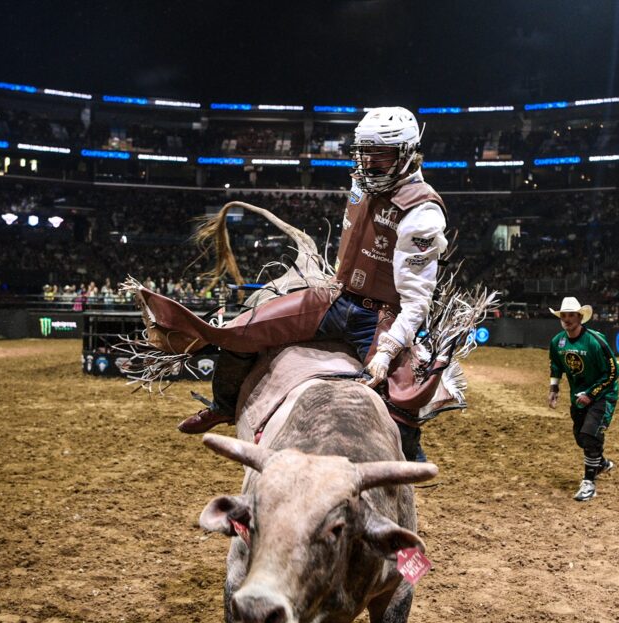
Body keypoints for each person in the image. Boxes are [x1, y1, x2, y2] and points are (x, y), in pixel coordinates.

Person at [177, 107, 448, 462]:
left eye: (379, 154)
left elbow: (416, 302)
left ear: (407, 154)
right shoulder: (360, 182)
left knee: (403, 396)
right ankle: (224, 405)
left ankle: (410, 453)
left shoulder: (423, 213)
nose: (368, 162)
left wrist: (386, 351)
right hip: (337, 297)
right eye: (363, 151)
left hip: (383, 315)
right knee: (239, 331)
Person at [547, 296, 619, 502]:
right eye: (564, 315)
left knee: (589, 434)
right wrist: (554, 387)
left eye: (571, 315)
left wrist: (591, 394)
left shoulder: (596, 342)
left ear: (580, 317)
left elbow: (613, 373)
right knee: (582, 438)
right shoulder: (557, 342)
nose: (567, 319)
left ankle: (589, 483)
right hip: (578, 397)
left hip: (603, 395)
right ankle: (600, 463)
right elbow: (556, 365)